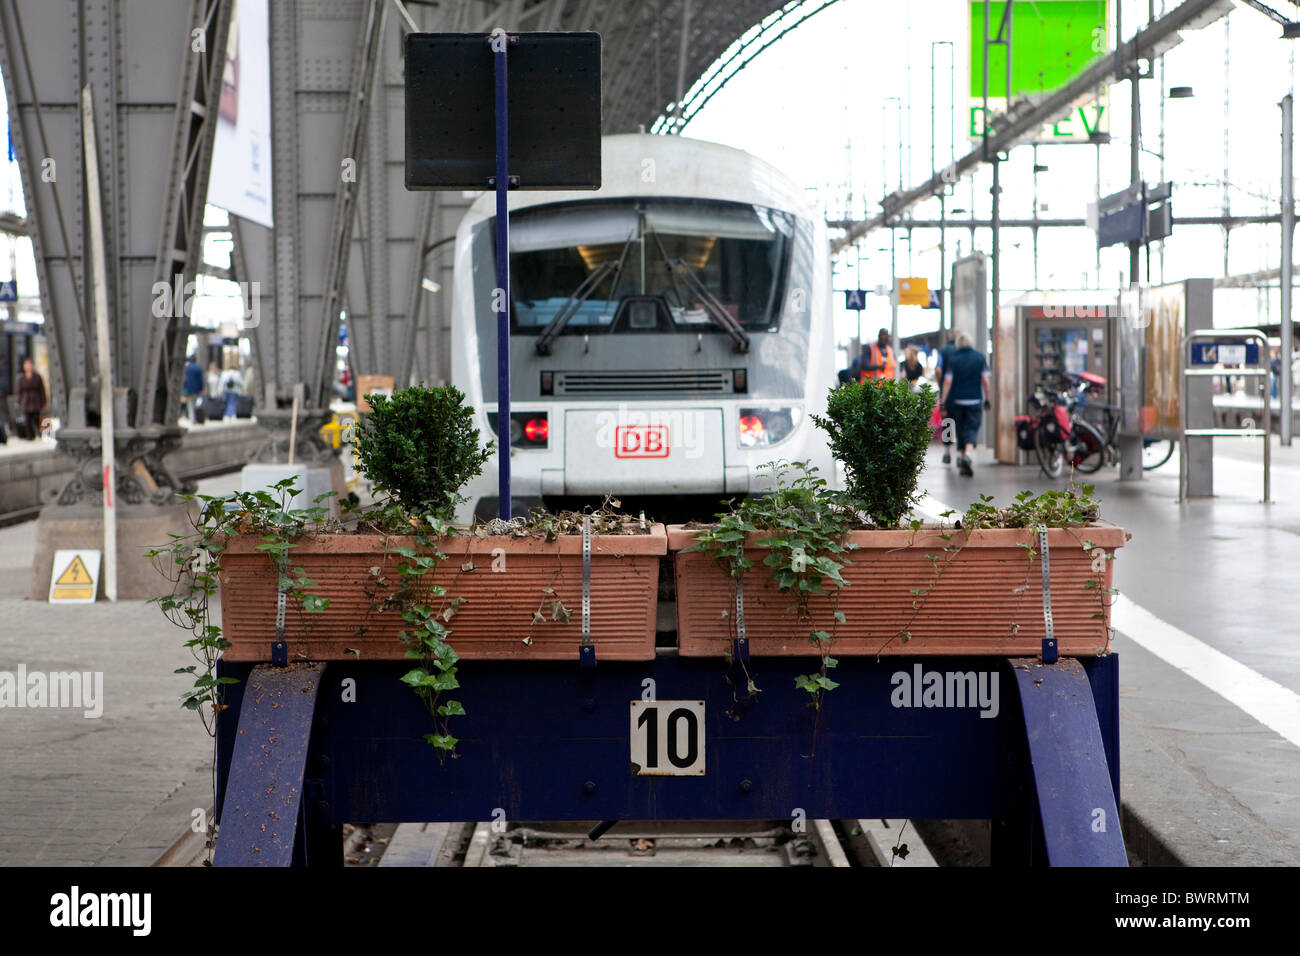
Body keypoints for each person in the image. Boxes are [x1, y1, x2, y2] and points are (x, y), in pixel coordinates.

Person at [939, 331, 990, 478]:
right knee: (972, 428)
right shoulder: (980, 358)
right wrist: (987, 398)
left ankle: (963, 460)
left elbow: (947, 381)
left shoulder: (953, 359)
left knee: (960, 430)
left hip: (956, 400)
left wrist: (942, 401)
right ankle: (967, 455)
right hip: (974, 399)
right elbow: (985, 381)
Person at [933, 334, 959, 463]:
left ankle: (947, 452)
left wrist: (941, 383)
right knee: (961, 422)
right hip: (961, 391)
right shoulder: (962, 351)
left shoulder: (943, 351)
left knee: (948, 421)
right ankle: (962, 453)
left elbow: (938, 369)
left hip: (946, 392)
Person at [16, 357, 47, 441]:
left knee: (37, 418)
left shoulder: (37, 377)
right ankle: (30, 436)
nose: (28, 366)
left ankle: (40, 434)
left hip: (36, 399)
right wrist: (19, 401)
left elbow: (42, 390)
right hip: (26, 400)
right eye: (26, 365)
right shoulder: (21, 378)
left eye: (29, 365)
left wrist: (44, 401)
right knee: (27, 419)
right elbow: (19, 390)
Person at [182, 354, 204, 422]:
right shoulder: (198, 368)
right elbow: (200, 380)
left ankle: (192, 418)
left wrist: (184, 388)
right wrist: (201, 388)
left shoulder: (186, 368)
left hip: (188, 389)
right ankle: (195, 418)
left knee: (190, 404)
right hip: (196, 389)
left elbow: (184, 379)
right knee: (195, 403)